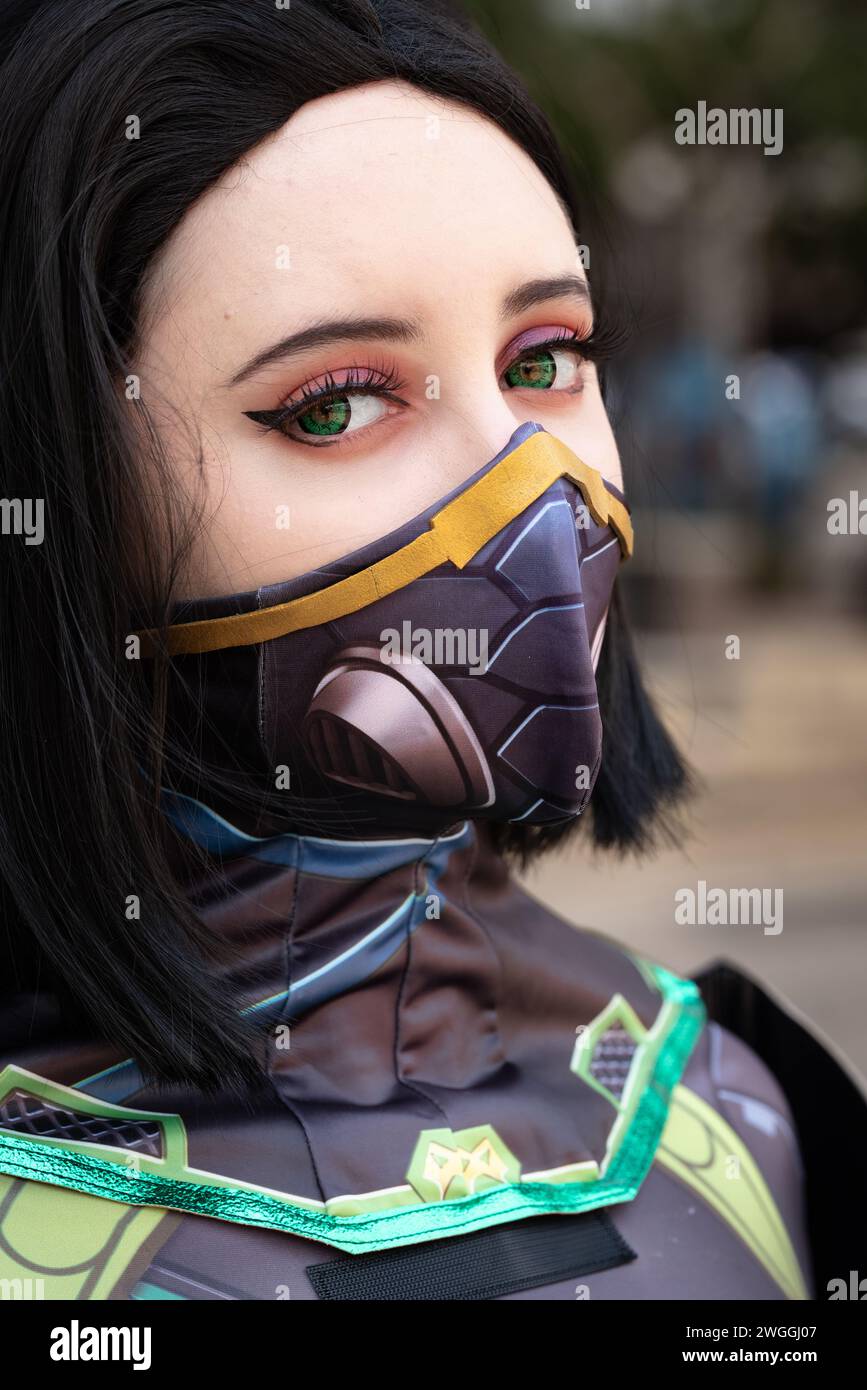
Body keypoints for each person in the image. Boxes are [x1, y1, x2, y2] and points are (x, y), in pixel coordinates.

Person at [0, 0, 863, 1302]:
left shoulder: (740, 1100)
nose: (527, 488)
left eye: (546, 357)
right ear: (59, 487)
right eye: (336, 402)